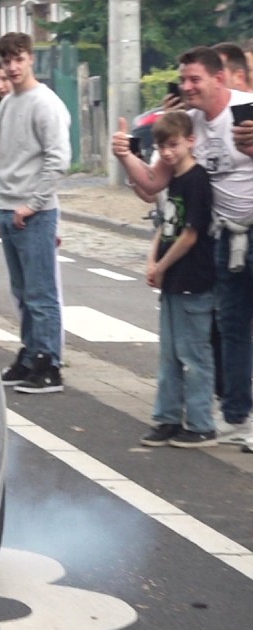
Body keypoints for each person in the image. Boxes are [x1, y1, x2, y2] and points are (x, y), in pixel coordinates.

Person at [115, 46, 253, 445]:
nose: (187, 87)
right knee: (230, 329)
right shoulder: (189, 123)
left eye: (195, 79)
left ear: (219, 78)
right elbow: (152, 184)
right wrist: (125, 155)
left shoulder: (246, 110)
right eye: (183, 79)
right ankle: (236, 415)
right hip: (227, 237)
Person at [0, 32, 70, 394]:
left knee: (41, 292)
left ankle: (49, 362)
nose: (12, 67)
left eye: (18, 59)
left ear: (31, 58)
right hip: (9, 206)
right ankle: (30, 354)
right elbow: (2, 160)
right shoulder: (9, 104)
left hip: (34, 213)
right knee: (22, 291)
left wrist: (34, 204)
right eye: (7, 61)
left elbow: (59, 160)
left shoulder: (45, 103)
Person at [133, 112, 217, 448]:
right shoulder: (175, 181)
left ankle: (200, 423)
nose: (167, 152)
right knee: (169, 353)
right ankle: (167, 417)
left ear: (190, 141)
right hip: (172, 280)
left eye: (173, 145)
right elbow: (166, 226)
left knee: (194, 356)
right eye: (161, 147)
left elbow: (190, 235)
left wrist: (161, 266)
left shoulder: (197, 180)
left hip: (194, 279)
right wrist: (152, 261)